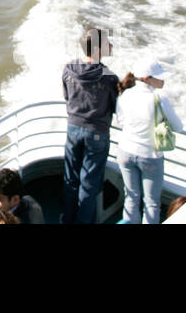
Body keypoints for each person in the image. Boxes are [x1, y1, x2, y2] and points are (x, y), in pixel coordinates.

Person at [61, 27, 120, 223]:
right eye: (107, 43)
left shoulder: (68, 69)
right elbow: (114, 107)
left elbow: (67, 96)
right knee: (88, 185)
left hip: (73, 129)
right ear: (97, 49)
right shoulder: (109, 78)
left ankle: (68, 219)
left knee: (71, 179)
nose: (111, 45)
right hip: (96, 134)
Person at [115, 59, 184, 224]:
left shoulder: (125, 95)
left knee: (131, 197)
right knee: (151, 203)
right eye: (159, 77)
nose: (162, 80)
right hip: (150, 156)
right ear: (146, 78)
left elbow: (121, 121)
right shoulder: (159, 99)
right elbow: (178, 127)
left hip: (125, 151)